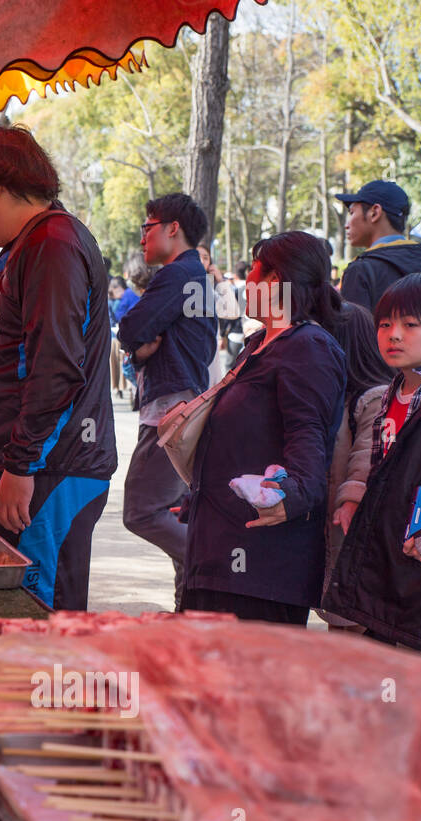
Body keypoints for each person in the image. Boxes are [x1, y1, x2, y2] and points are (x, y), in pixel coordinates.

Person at [0, 125, 115, 611]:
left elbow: (57, 365)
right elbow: (24, 348)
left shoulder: (54, 242)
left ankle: (46, 691)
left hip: (52, 467)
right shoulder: (31, 244)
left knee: (36, 616)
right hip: (30, 465)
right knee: (12, 613)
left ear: (0, 189)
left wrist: (22, 463)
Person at [182, 231, 347, 624]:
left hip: (259, 571)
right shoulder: (259, 343)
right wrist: (202, 494)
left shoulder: (308, 347)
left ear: (274, 281)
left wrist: (290, 495)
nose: (247, 282)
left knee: (244, 683)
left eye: (254, 270)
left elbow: (308, 442)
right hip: (219, 548)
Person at [323, 273, 421, 654]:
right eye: (385, 324)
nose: (393, 335)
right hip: (391, 568)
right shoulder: (392, 392)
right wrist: (356, 496)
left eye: (410, 325)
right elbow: (378, 462)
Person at [117, 194, 216, 610]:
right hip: (185, 401)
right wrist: (139, 350)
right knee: (173, 511)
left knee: (141, 511)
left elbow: (130, 327)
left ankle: (208, 562)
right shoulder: (196, 275)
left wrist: (135, 346)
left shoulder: (177, 275)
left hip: (170, 408)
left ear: (173, 228)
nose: (143, 237)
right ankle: (189, 609)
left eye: (148, 226)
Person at [316, 301, 393, 629]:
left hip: (351, 529)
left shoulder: (373, 397)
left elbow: (367, 455)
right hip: (333, 531)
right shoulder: (335, 397)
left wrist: (350, 497)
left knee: (350, 623)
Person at [336, 180, 421, 312]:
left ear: (375, 213)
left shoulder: (361, 270)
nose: (347, 225)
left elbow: (354, 330)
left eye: (351, 213)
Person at [198, 243, 243, 382]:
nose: (201, 261)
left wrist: (221, 280)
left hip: (210, 358)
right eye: (197, 256)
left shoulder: (209, 288)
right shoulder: (181, 283)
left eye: (206, 258)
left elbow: (233, 312)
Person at [107, 275, 137, 398]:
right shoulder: (132, 293)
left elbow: (119, 316)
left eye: (113, 293)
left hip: (126, 336)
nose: (113, 297)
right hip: (133, 335)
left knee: (127, 367)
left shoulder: (126, 296)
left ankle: (134, 390)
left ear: (118, 288)